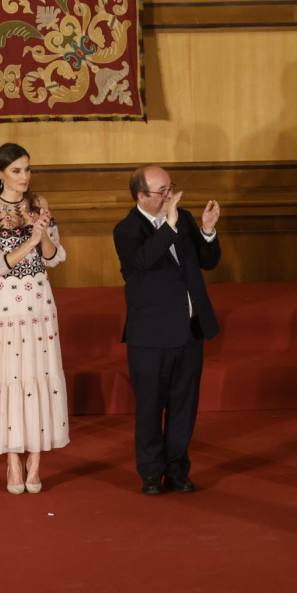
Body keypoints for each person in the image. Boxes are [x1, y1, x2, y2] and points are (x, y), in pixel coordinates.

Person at [113, 167, 221, 495]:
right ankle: (150, 472)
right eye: (161, 191)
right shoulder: (127, 229)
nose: (169, 195)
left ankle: (177, 470)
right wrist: (170, 226)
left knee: (184, 405)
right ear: (141, 196)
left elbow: (208, 261)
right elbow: (142, 262)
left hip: (189, 330)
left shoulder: (183, 218)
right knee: (150, 405)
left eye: (169, 187)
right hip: (150, 336)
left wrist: (207, 230)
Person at [0, 143, 69, 494]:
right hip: (8, 304)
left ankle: (36, 460)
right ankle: (13, 459)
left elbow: (54, 256)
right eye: (16, 170)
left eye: (27, 169)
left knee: (39, 372)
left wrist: (42, 237)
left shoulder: (40, 203)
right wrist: (30, 240)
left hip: (39, 299)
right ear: (0, 173)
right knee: (11, 375)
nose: (24, 176)